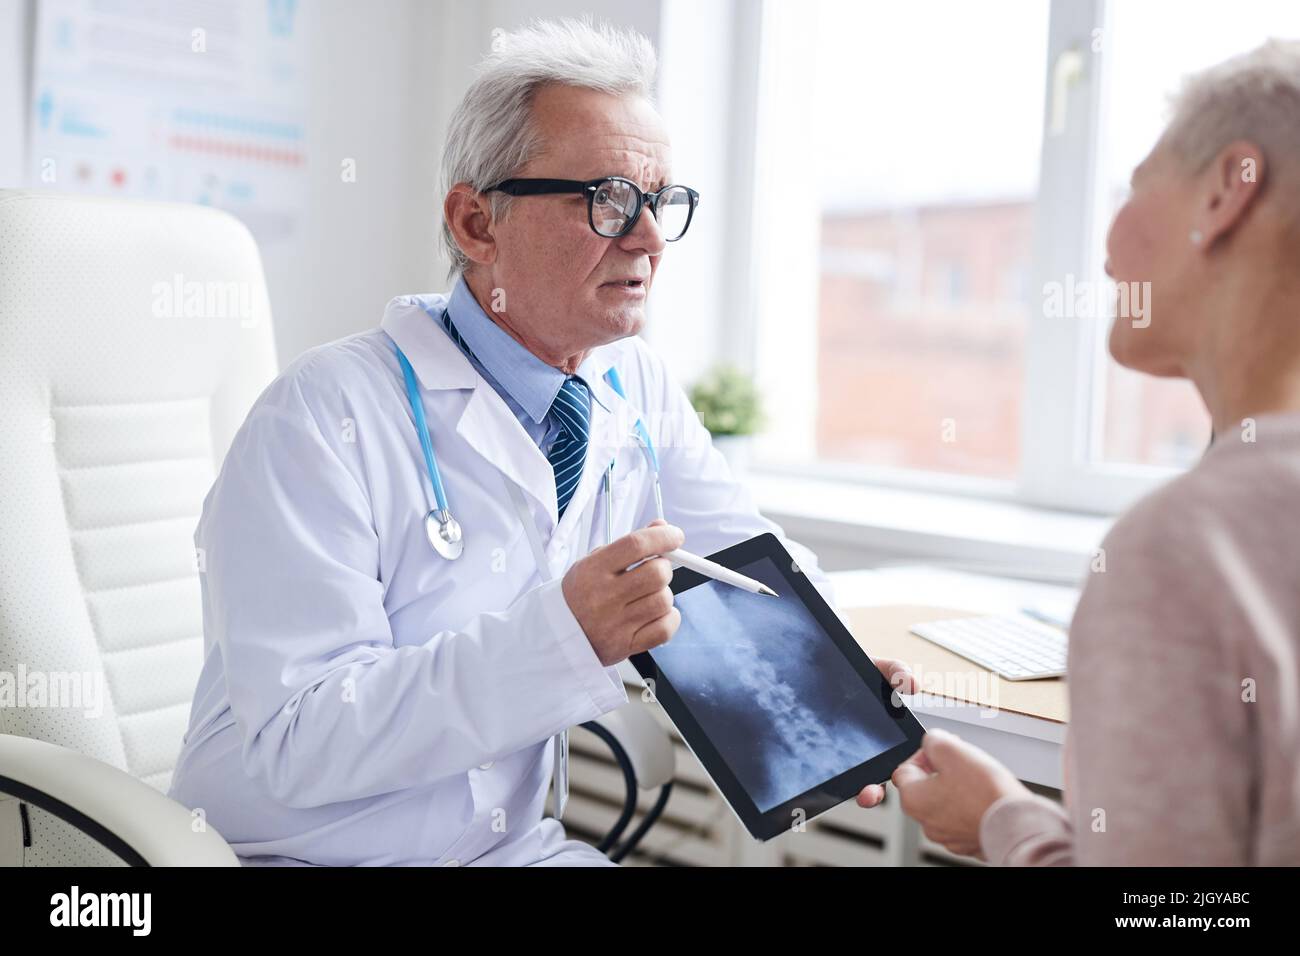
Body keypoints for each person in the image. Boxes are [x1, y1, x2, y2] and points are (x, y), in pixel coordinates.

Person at [168, 18, 913, 867]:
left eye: (660, 202)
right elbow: (300, 739)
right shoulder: (320, 417)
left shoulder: (634, 386)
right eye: (606, 199)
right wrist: (564, 634)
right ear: (478, 223)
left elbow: (741, 563)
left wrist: (833, 670)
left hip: (510, 850)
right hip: (301, 855)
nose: (648, 238)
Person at [874, 39, 1300, 865]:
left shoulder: (1187, 547)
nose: (1105, 249)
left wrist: (1006, 821)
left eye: (1137, 186)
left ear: (1225, 192)